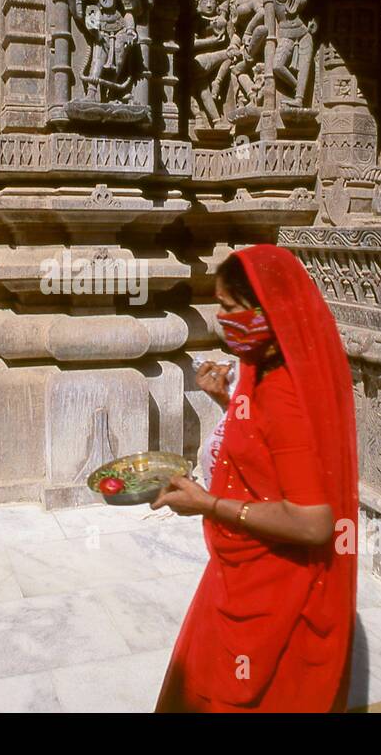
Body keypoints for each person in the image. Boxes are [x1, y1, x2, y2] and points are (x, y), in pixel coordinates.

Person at [151, 244, 358, 712]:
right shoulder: (262, 371)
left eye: (229, 307)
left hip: (273, 585)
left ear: (269, 310)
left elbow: (312, 523)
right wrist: (228, 402)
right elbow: (271, 454)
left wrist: (208, 504)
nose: (221, 318)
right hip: (240, 570)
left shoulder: (284, 393)